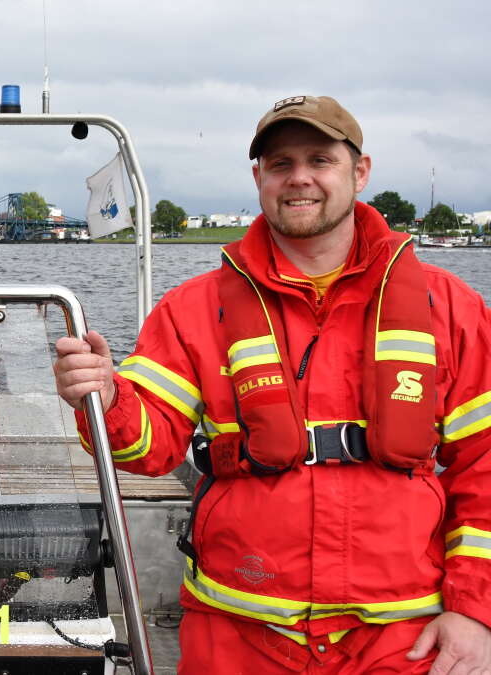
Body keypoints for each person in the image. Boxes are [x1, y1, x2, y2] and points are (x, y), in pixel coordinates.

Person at [53, 95, 491, 673]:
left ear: (360, 172)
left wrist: (475, 612)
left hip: (403, 635)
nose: (299, 178)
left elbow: (483, 465)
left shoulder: (450, 306)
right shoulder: (194, 308)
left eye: (319, 159)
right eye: (280, 164)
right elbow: (149, 449)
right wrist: (105, 397)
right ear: (259, 176)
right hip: (237, 632)